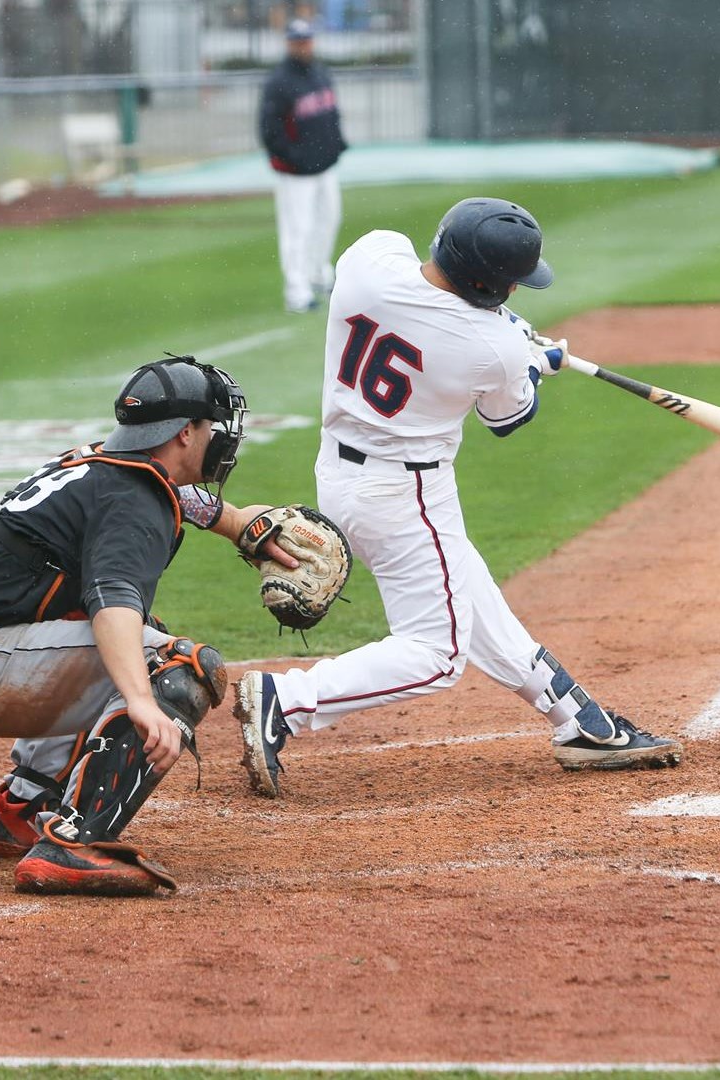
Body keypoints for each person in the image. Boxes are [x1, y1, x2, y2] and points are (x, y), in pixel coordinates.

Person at [231, 197, 683, 799]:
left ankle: (575, 719)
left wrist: (509, 341)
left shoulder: (365, 262)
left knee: (468, 593)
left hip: (340, 474)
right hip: (405, 493)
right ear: (491, 287)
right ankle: (286, 700)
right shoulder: (490, 348)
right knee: (436, 653)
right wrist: (528, 360)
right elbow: (510, 416)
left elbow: (423, 292)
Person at [0, 356, 295, 896]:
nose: (220, 438)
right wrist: (139, 697)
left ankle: (28, 804)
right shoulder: (133, 499)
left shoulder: (99, 464)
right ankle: (75, 841)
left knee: (128, 637)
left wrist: (238, 525)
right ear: (185, 433)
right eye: (211, 426)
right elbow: (112, 602)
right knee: (172, 665)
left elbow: (181, 498)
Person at [258, 17, 347, 313]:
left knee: (328, 220)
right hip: (295, 172)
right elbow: (270, 129)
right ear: (288, 44)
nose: (303, 45)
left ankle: (319, 273)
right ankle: (296, 290)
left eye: (306, 40)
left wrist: (337, 144)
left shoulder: (319, 73)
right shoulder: (279, 82)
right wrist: (291, 157)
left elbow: (330, 114)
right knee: (298, 230)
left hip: (325, 165)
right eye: (297, 41)